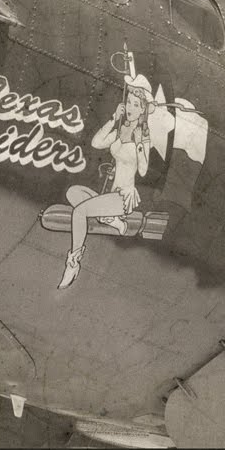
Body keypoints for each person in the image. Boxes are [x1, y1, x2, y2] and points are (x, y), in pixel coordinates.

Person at [57, 73, 153, 289]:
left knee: (79, 211)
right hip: (109, 196)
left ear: (142, 109)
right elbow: (96, 142)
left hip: (123, 198)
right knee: (73, 192)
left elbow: (144, 170)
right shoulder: (121, 129)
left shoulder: (143, 135)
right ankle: (110, 219)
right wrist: (113, 119)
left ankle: (73, 262)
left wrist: (139, 144)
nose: (129, 106)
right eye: (128, 101)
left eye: (135, 104)